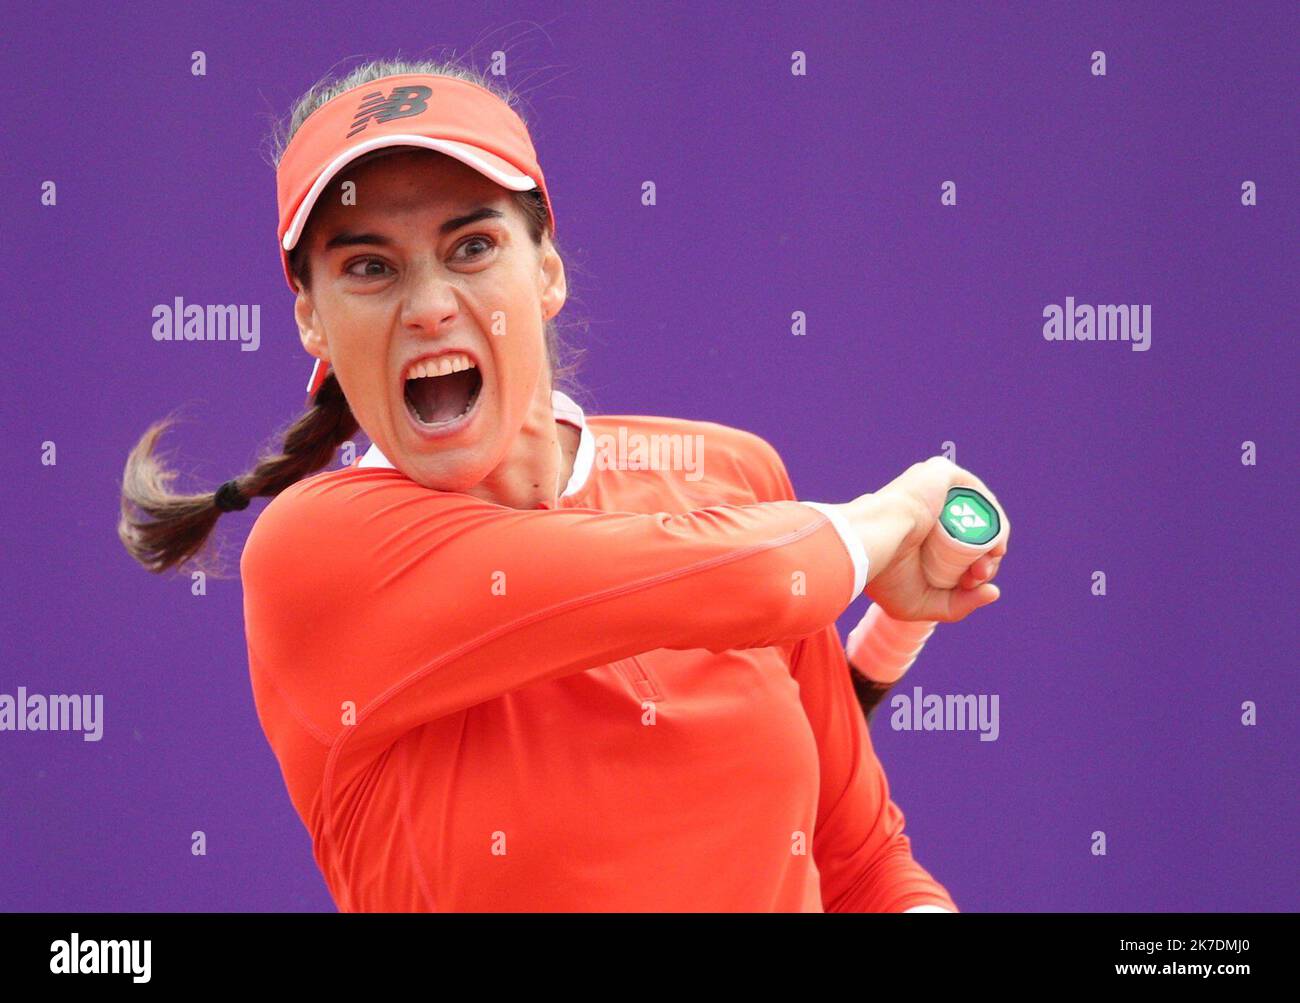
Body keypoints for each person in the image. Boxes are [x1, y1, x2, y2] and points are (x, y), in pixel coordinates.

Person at [118, 57, 1008, 912]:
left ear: (546, 270)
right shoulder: (317, 551)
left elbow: (859, 865)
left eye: (471, 245)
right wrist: (892, 517)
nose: (427, 304)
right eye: (369, 266)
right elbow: (771, 576)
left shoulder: (734, 476)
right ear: (311, 318)